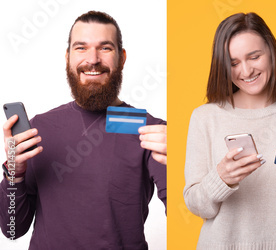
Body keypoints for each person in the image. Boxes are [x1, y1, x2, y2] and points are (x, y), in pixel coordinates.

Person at [0, 11, 168, 249]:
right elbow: (12, 229)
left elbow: (187, 212)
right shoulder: (38, 129)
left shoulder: (150, 131)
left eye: (105, 48)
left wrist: (185, 160)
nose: (93, 59)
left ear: (122, 58)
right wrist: (14, 172)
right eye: (81, 48)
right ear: (68, 57)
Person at [182, 12, 276, 249]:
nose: (246, 71)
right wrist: (220, 179)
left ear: (271, 51)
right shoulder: (205, 117)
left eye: (254, 57)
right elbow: (195, 205)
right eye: (233, 63)